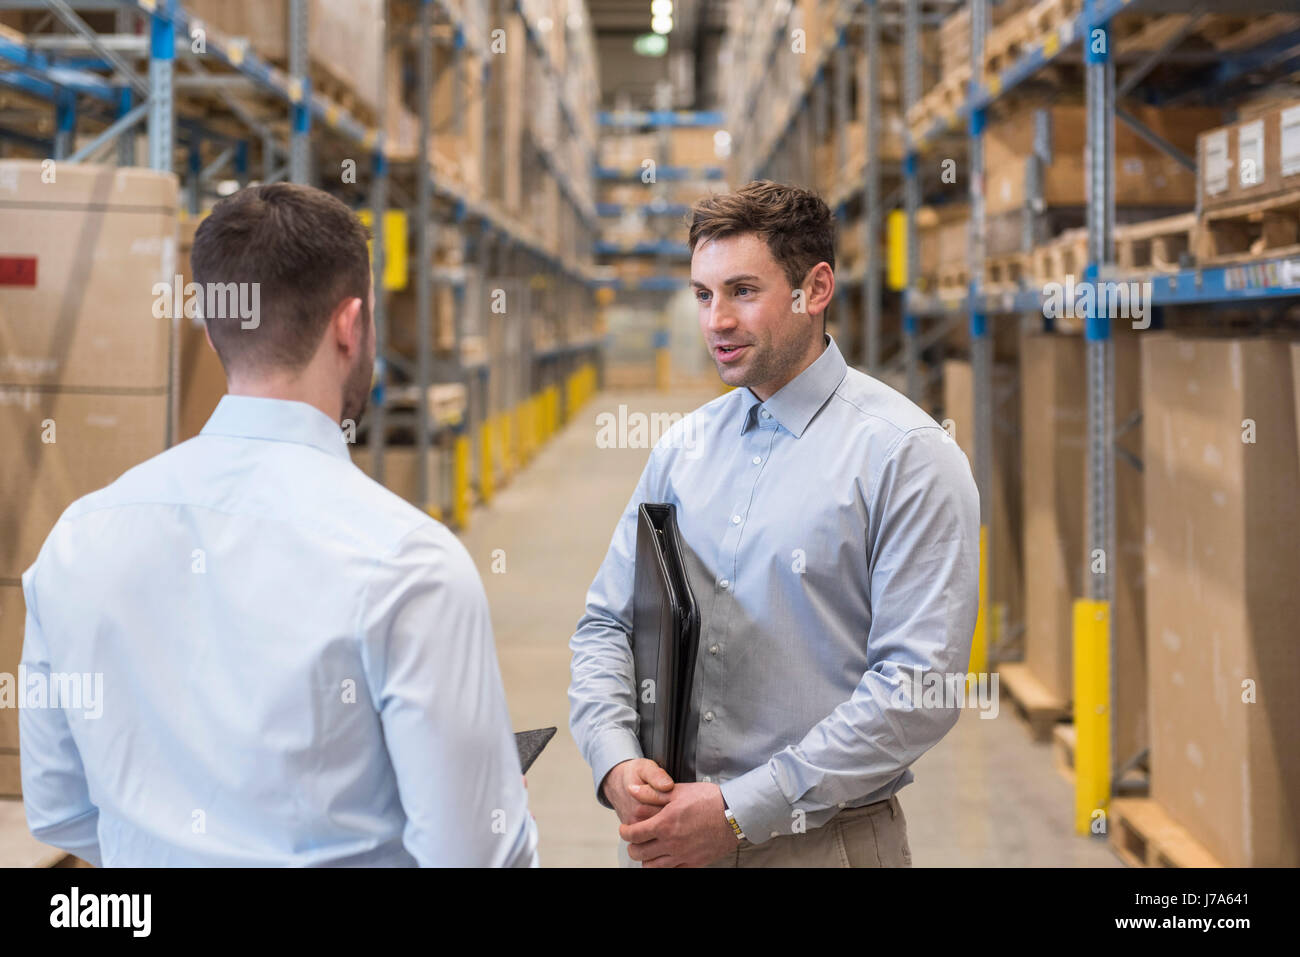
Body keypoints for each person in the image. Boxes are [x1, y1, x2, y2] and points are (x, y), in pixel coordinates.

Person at [19, 183, 536, 867]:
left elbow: (59, 808)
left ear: (212, 328)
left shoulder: (77, 538)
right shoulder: (410, 564)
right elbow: (475, 856)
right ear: (351, 324)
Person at [567, 180, 979, 867]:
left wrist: (737, 810)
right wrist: (613, 756)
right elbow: (609, 621)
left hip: (819, 844)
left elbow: (917, 689)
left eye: (742, 291)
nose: (716, 321)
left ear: (814, 289)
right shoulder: (682, 449)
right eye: (703, 295)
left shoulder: (905, 456)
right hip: (667, 839)